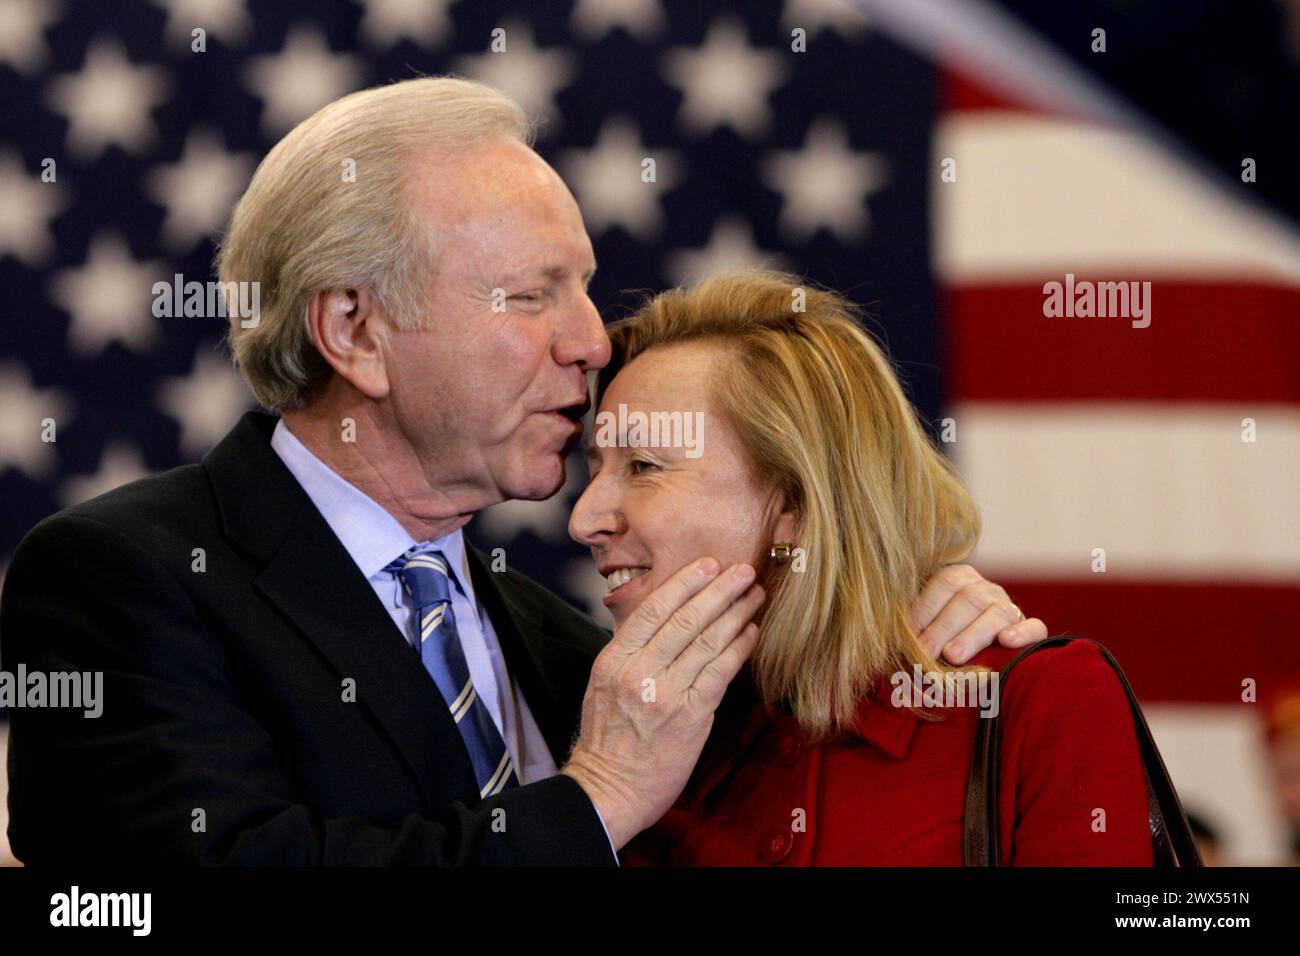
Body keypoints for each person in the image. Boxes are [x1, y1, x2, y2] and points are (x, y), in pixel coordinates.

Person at [0, 78, 1045, 866]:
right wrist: (588, 802)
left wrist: (901, 604)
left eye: (583, 290)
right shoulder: (124, 579)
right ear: (354, 329)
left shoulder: (568, 646)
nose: (593, 341)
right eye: (533, 294)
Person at [571, 271, 1155, 865]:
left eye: (643, 465)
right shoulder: (621, 734)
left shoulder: (1036, 702)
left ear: (797, 501)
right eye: (595, 468)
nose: (584, 517)